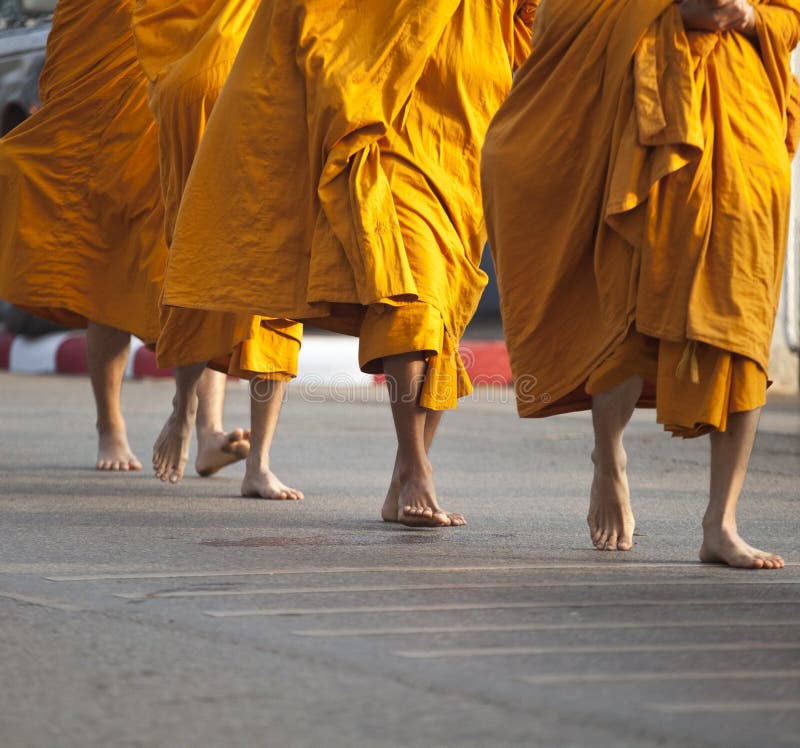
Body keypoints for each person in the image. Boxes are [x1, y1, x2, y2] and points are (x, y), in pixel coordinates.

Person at [157, 1, 537, 526]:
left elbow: (533, 25)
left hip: (462, 138)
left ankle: (400, 484)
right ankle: (417, 469)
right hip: (386, 131)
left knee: (443, 315)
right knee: (409, 299)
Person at [482, 0, 798, 567]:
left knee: (743, 323)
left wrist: (748, 17)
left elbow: (788, 14)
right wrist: (672, 12)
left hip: (746, 129)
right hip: (647, 121)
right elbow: (564, 16)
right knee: (630, 310)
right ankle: (609, 457)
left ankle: (721, 522)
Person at [0, 0, 249, 475]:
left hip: (181, 96)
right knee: (110, 267)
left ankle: (209, 429)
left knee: (195, 254)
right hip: (111, 115)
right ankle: (110, 427)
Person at [132, 0, 304, 498]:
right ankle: (192, 415)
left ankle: (247, 455)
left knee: (262, 286)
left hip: (269, 98)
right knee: (220, 272)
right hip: (215, 93)